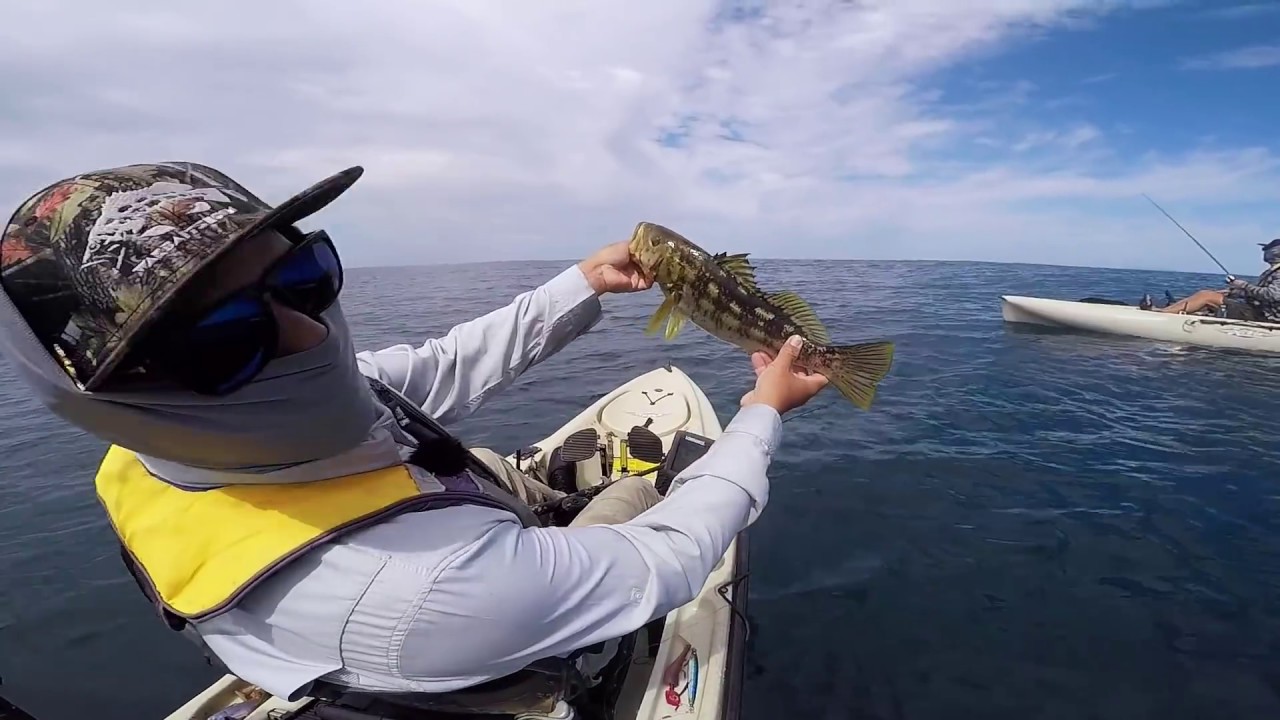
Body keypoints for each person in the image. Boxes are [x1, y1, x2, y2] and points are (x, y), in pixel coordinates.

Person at [0, 162, 829, 711]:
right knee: (646, 492)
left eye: (302, 274)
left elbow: (439, 366)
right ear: (118, 395)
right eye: (222, 336)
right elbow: (667, 561)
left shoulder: (179, 453)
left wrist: (584, 282)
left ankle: (538, 495)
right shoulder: (425, 592)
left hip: (435, 566)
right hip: (489, 643)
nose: (308, 331)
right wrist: (761, 413)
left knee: (492, 465)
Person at [1155, 239, 1280, 321]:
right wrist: (1233, 292)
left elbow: (1272, 295)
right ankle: (1166, 312)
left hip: (1264, 316)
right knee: (1209, 294)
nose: (1264, 252)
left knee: (1206, 296)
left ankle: (1161, 316)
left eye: (1266, 250)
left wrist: (1244, 285)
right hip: (1258, 310)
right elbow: (1259, 294)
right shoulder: (1272, 271)